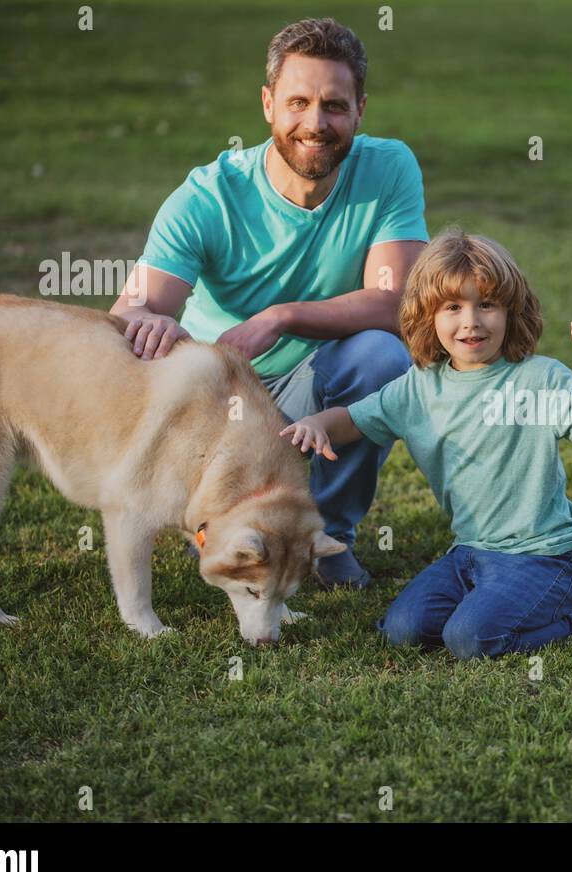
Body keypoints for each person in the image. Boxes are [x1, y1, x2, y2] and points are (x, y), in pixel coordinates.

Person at [109, 18, 428, 588]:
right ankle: (217, 521)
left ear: (359, 109)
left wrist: (281, 317)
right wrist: (148, 321)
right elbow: (126, 315)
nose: (315, 122)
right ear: (267, 104)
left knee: (383, 359)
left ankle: (327, 537)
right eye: (298, 102)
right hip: (221, 400)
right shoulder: (208, 196)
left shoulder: (387, 168)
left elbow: (397, 302)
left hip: (312, 382)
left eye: (334, 105)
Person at [280, 228, 572, 659]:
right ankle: (486, 602)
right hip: (469, 553)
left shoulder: (539, 378)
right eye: (453, 307)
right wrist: (318, 422)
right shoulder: (420, 388)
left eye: (486, 304)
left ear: (510, 311)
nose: (471, 320)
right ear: (428, 317)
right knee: (403, 632)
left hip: (544, 558)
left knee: (470, 640)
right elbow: (353, 419)